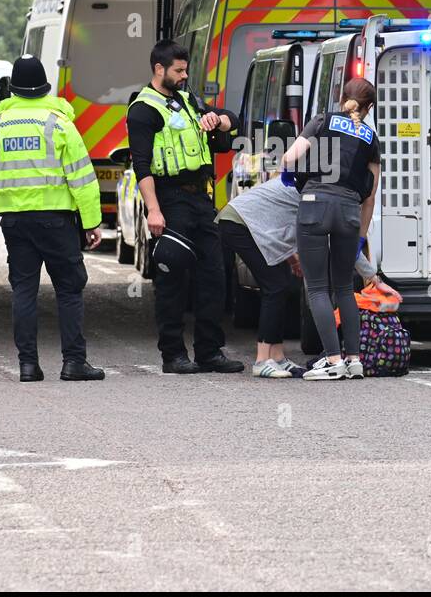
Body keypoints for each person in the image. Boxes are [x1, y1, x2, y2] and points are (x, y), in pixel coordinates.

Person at [0, 56, 104, 382]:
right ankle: (74, 363)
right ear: (45, 87)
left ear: (12, 88)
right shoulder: (59, 124)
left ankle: (28, 366)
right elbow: (82, 179)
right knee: (69, 289)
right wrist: (91, 223)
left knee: (24, 291)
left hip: (15, 224)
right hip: (56, 221)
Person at [125, 40, 243, 375]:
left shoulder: (188, 101)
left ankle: (209, 351)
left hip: (201, 200)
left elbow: (233, 119)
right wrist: (153, 210)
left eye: (185, 69)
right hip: (170, 199)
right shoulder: (143, 109)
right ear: (159, 69)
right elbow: (142, 166)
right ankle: (173, 354)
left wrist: (217, 121)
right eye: (178, 70)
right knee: (172, 279)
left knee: (214, 275)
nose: (184, 75)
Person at [218, 174, 399, 377]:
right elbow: (342, 245)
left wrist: (293, 260)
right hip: (239, 223)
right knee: (275, 286)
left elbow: (276, 223)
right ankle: (262, 361)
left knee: (281, 284)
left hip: (250, 224)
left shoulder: (316, 185)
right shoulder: (319, 196)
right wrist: (374, 278)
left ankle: (277, 357)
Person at [282, 77, 382, 380]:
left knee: (317, 288)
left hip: (315, 205)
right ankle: (353, 360)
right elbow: (370, 196)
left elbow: (289, 157)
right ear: (369, 107)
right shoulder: (371, 138)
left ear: (342, 98)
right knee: (344, 288)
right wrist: (360, 237)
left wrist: (289, 172)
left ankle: (333, 360)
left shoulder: (322, 121)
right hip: (349, 212)